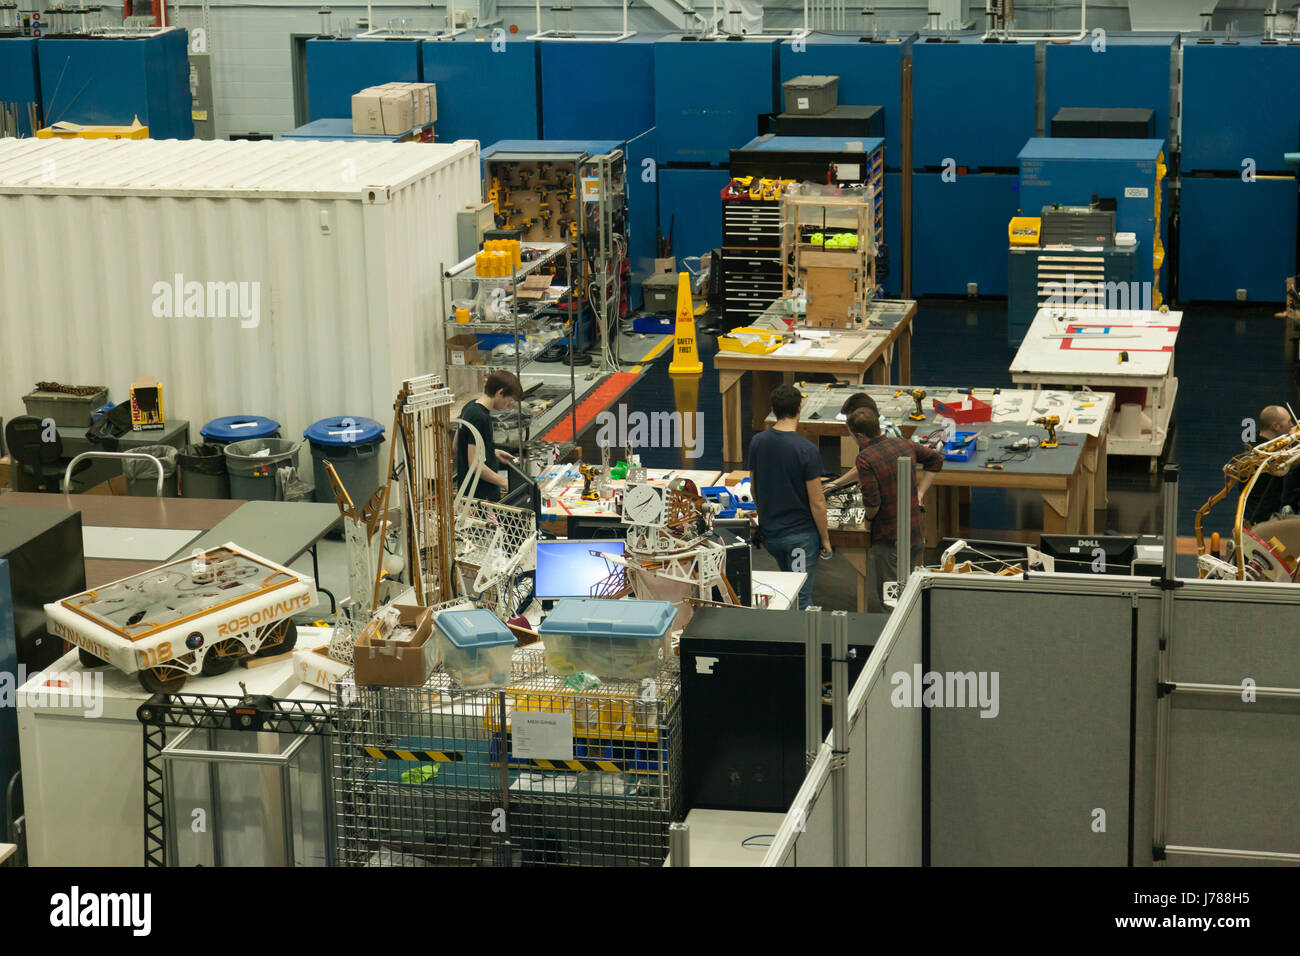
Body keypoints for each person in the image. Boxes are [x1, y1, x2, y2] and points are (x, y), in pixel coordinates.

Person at [847, 407, 944, 613]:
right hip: (915, 533)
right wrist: (919, 493)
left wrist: (867, 519)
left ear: (860, 436)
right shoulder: (904, 444)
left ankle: (896, 643)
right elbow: (936, 459)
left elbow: (872, 504)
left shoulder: (865, 459)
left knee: (891, 601)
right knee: (908, 593)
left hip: (890, 540)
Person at [748, 384, 832, 609]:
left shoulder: (758, 442)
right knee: (800, 600)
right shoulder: (806, 450)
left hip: (772, 536)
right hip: (799, 538)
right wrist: (825, 539)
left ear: (773, 410)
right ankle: (804, 643)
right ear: (799, 409)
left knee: (788, 592)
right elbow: (817, 502)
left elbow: (754, 488)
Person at [455, 370, 523, 501]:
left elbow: (457, 446)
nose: (509, 406)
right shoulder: (481, 418)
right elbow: (475, 465)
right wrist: (505, 482)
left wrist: (491, 452)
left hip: (467, 492)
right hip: (480, 496)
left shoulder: (469, 407)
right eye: (510, 401)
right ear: (500, 392)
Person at [824, 391, 901, 493]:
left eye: (850, 419)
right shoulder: (873, 428)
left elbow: (867, 465)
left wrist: (836, 483)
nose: (849, 425)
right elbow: (863, 465)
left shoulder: (885, 432)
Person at [1243, 405, 1298, 525]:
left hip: (1270, 519)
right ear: (1276, 426)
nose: (1292, 425)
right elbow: (1287, 461)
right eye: (1289, 422)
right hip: (1259, 522)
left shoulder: (1260, 445)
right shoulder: (1258, 452)